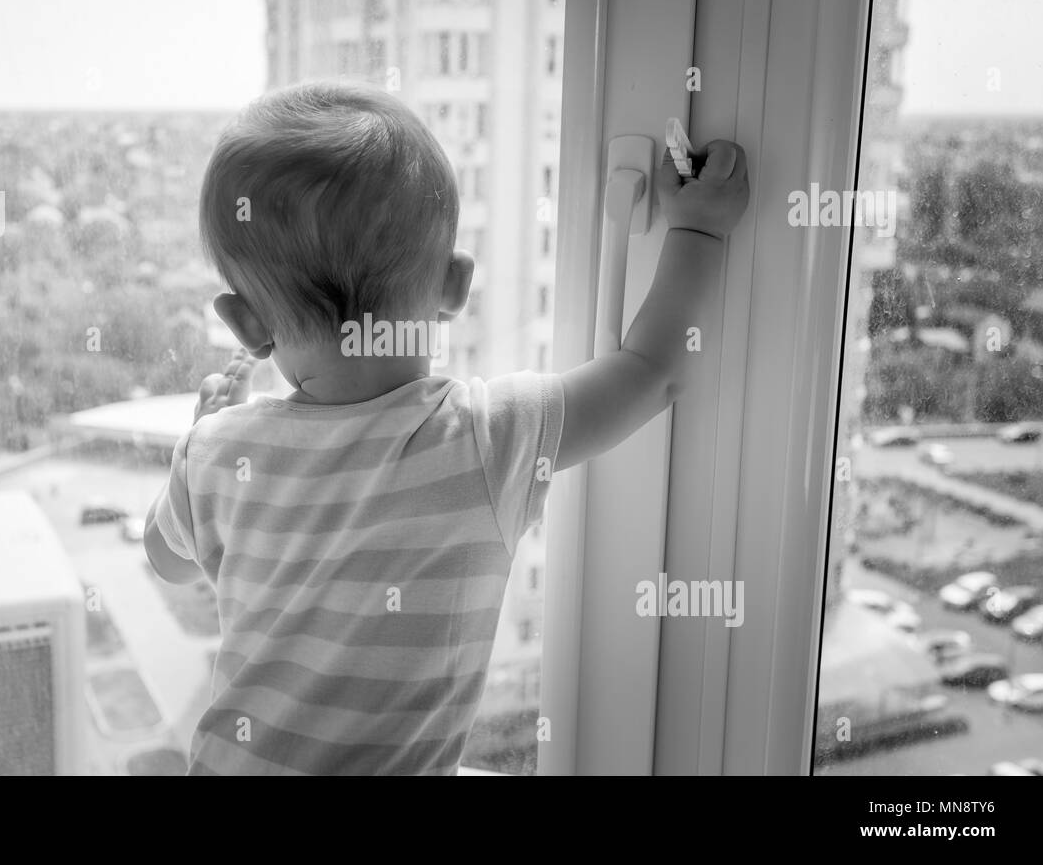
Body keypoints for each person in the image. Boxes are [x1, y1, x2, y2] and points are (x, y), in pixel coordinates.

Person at [145, 80, 749, 774]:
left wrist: (203, 436)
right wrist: (700, 228)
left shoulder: (215, 453)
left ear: (244, 324)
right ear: (455, 287)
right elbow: (655, 370)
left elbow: (164, 561)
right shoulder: (486, 438)